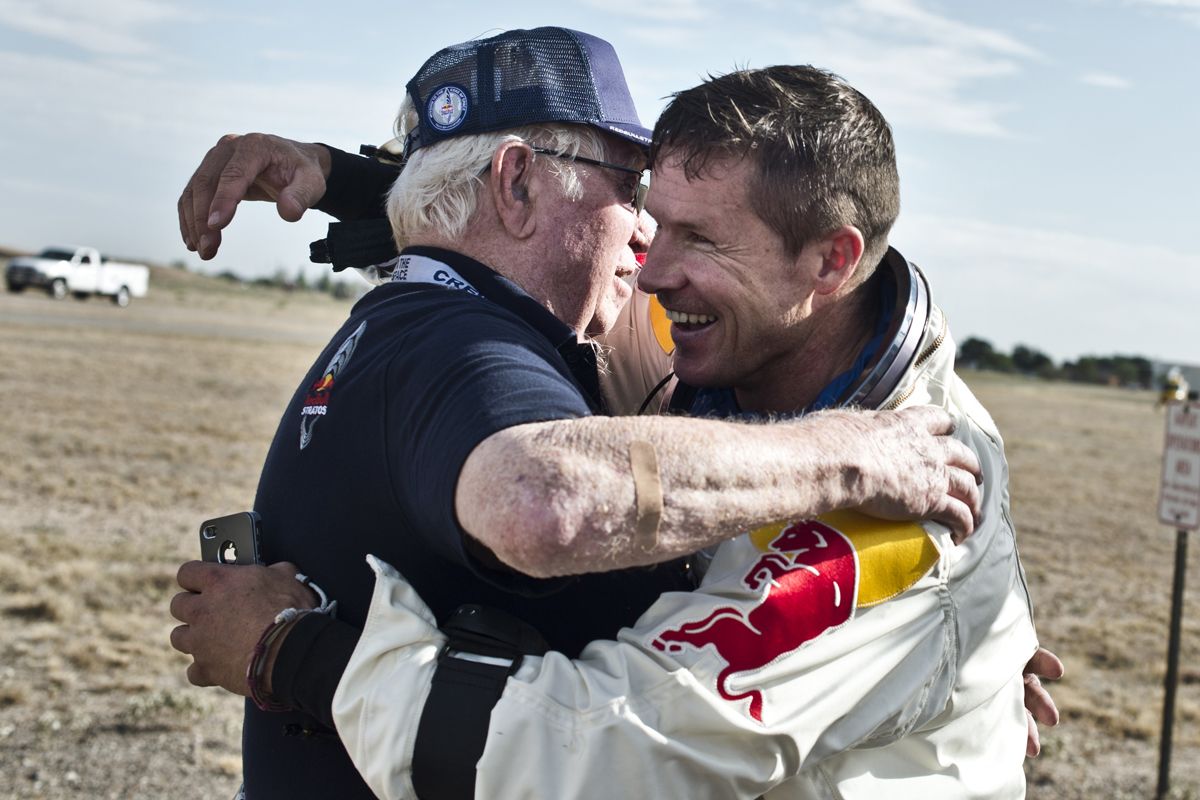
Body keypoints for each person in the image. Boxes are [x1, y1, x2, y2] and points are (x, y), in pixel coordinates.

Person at [169, 31, 985, 800]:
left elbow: (606, 747)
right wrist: (342, 176)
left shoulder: (915, 476)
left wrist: (289, 652)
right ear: (516, 182)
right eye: (637, 196)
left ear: (831, 261)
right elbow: (548, 491)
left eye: (691, 232)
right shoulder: (500, 341)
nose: (651, 258)